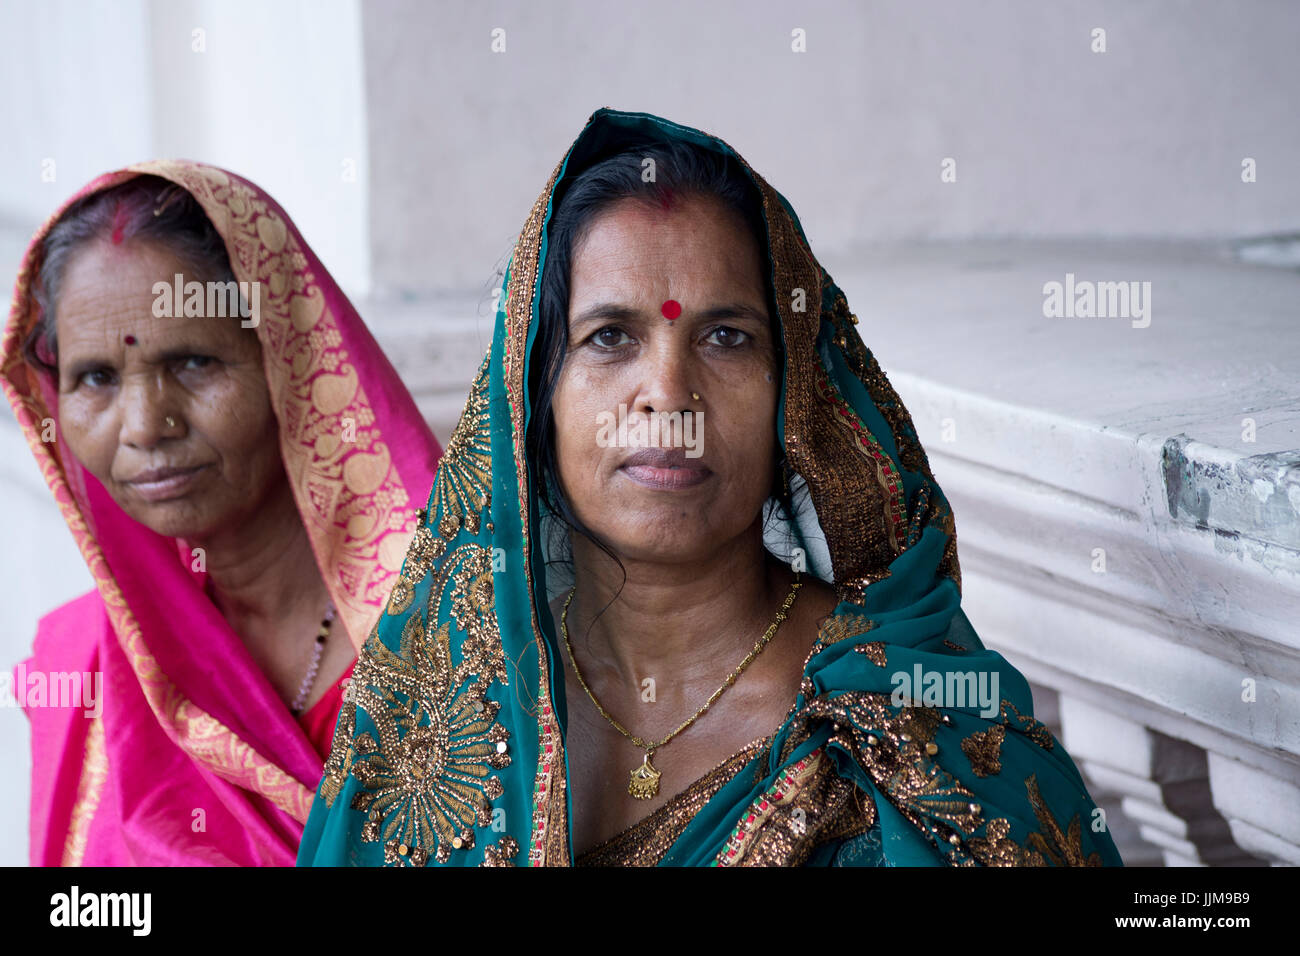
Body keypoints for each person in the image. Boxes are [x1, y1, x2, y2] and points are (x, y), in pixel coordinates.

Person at [297, 108, 1123, 867]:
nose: (669, 392)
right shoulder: (433, 712)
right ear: (531, 392)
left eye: (727, 337)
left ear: (796, 397)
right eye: (609, 336)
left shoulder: (908, 729)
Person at [1, 163, 442, 865]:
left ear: (290, 364)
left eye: (194, 364)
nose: (145, 425)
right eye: (96, 379)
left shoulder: (462, 630)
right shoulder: (93, 663)